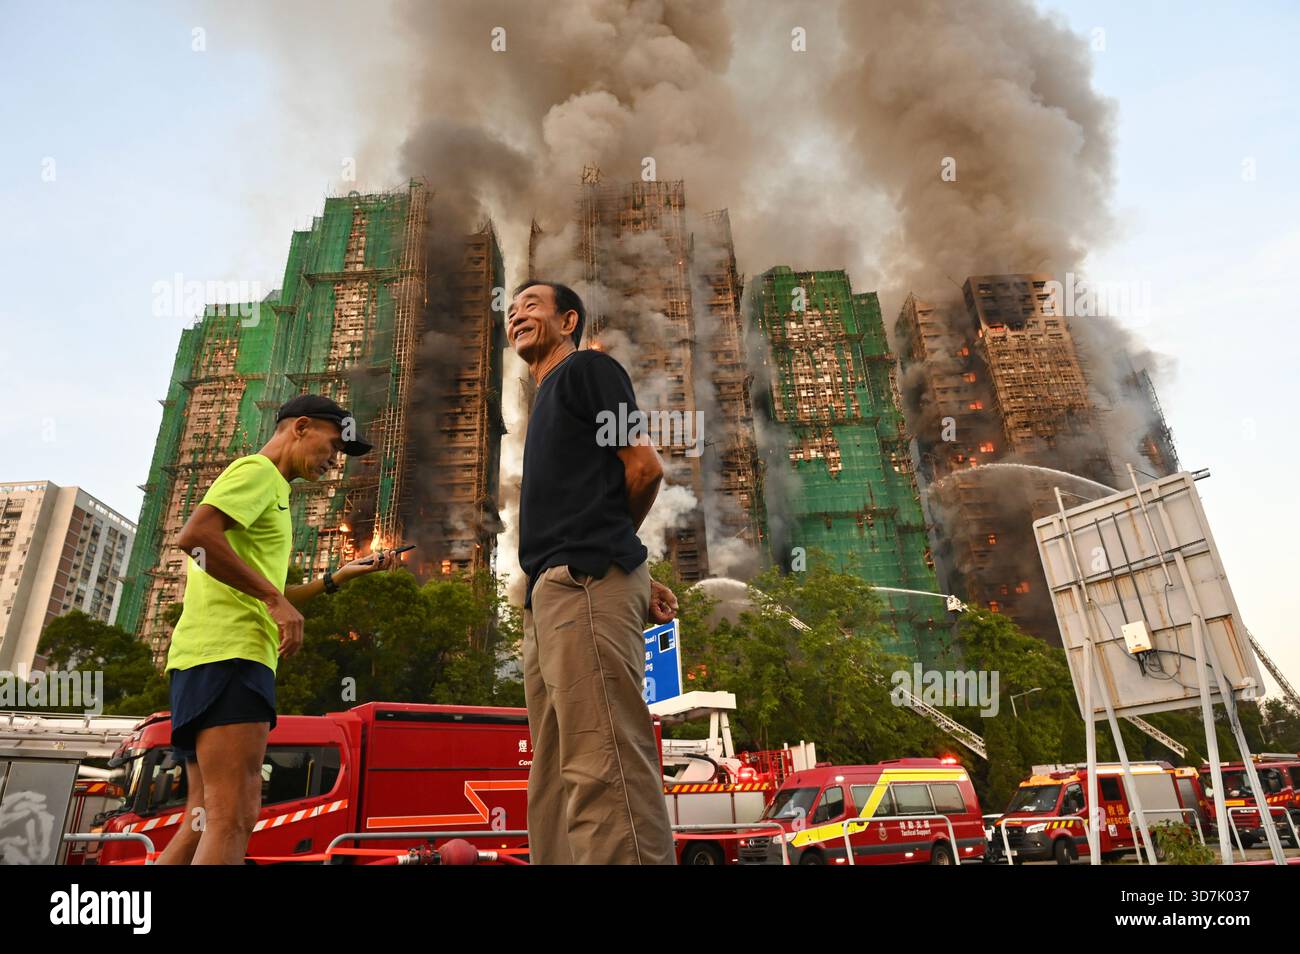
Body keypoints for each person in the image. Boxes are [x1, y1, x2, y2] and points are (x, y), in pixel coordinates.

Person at [156, 394, 405, 865]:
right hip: (233, 656)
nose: (334, 463)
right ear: (301, 427)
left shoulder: (273, 491)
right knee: (234, 815)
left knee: (202, 817)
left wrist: (338, 577)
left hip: (200, 660)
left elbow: (267, 588)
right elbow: (195, 538)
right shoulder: (258, 474)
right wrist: (274, 601)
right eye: (332, 447)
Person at [508, 279, 679, 865]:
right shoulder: (547, 397)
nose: (517, 315)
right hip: (550, 594)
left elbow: (644, 468)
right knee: (555, 774)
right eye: (511, 310)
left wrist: (610, 552)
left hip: (582, 582)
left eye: (532, 305)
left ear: (569, 321)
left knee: (603, 758)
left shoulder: (585, 370)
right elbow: (594, 500)